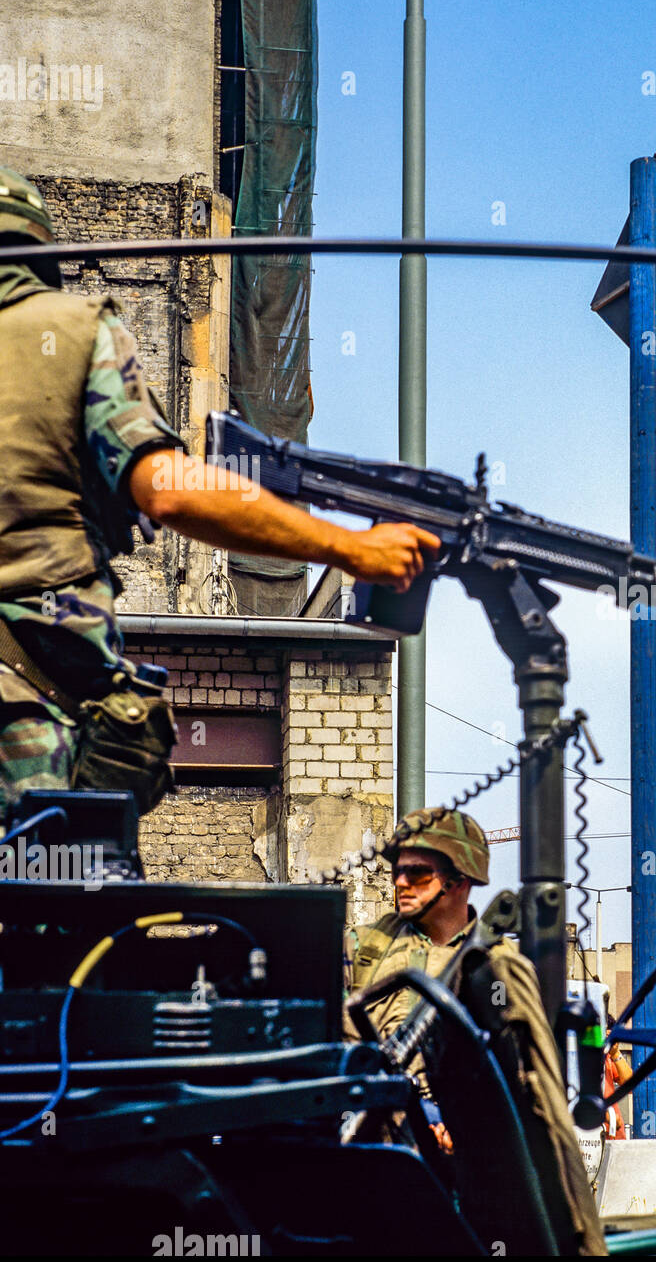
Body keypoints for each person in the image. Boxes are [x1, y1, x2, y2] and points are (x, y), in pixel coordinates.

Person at [0, 165, 439, 809]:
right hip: (25, 724)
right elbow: (169, 490)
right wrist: (348, 549)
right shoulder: (70, 330)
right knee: (67, 894)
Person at [344, 805, 605, 1255]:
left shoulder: (496, 969)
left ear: (459, 879)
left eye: (418, 873)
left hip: (461, 1165)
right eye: (398, 872)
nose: (400, 883)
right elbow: (336, 1046)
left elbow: (530, 1088)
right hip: (369, 1143)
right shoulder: (362, 949)